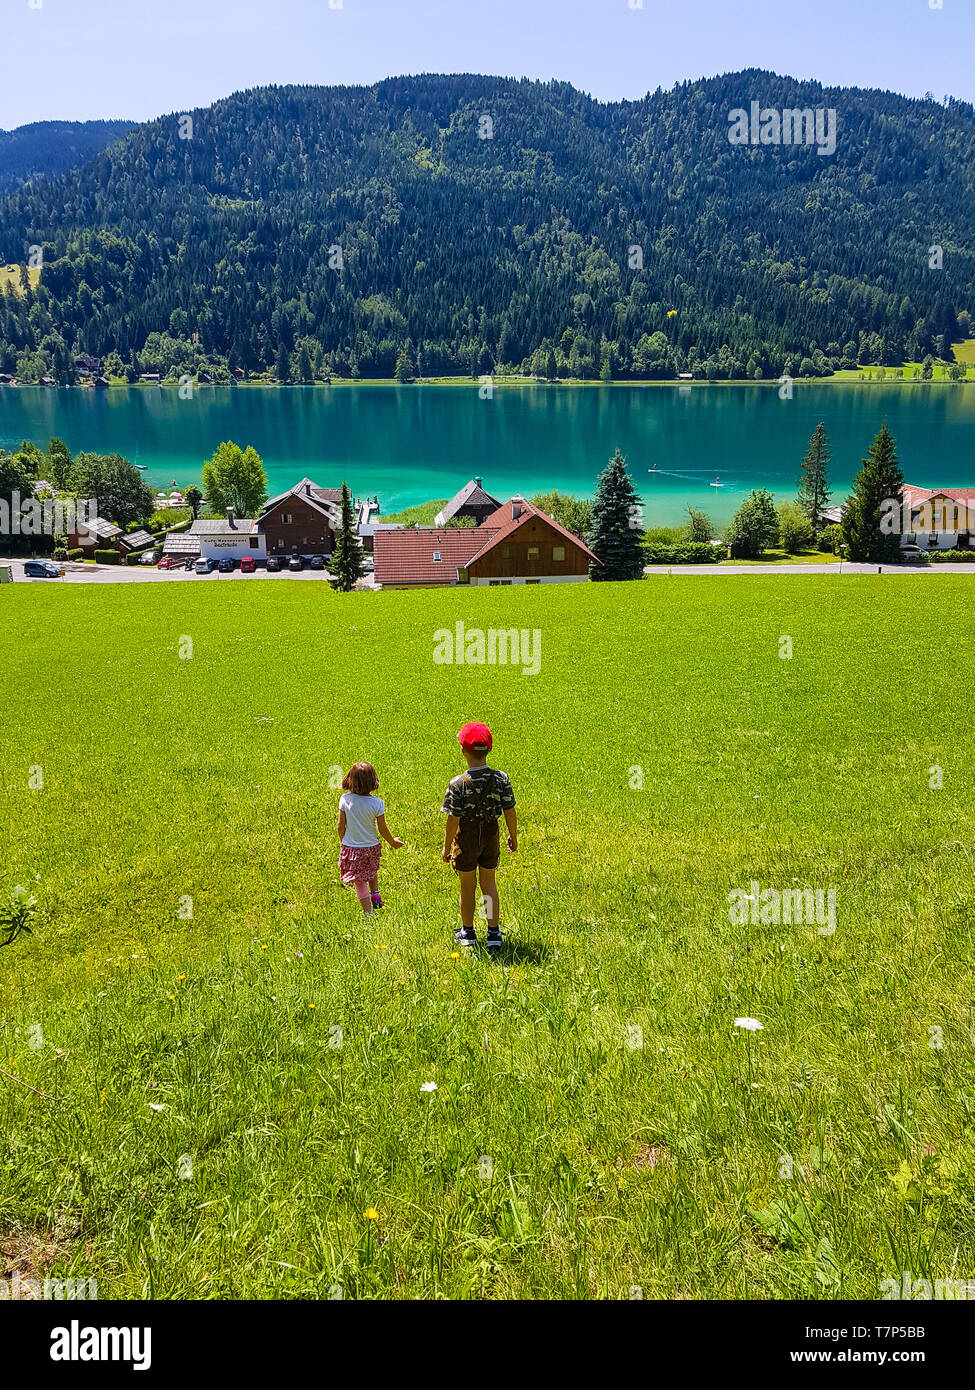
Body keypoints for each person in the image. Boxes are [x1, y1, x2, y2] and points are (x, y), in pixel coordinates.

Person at [441, 722, 517, 950]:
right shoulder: (501, 778)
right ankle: (493, 932)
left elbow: (452, 820)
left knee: (467, 885)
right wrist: (514, 836)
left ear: (463, 751)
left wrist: (446, 847)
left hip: (466, 838)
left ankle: (468, 932)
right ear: (489, 750)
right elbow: (510, 811)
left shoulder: (457, 784)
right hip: (491, 834)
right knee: (488, 883)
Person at [337, 762, 403, 914]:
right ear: (373, 781)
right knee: (371, 871)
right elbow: (382, 828)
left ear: (350, 779)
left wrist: (343, 841)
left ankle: (369, 914)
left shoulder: (345, 799)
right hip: (372, 847)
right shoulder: (377, 803)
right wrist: (392, 842)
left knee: (359, 882)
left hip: (352, 848)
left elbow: (340, 825)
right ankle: (377, 901)